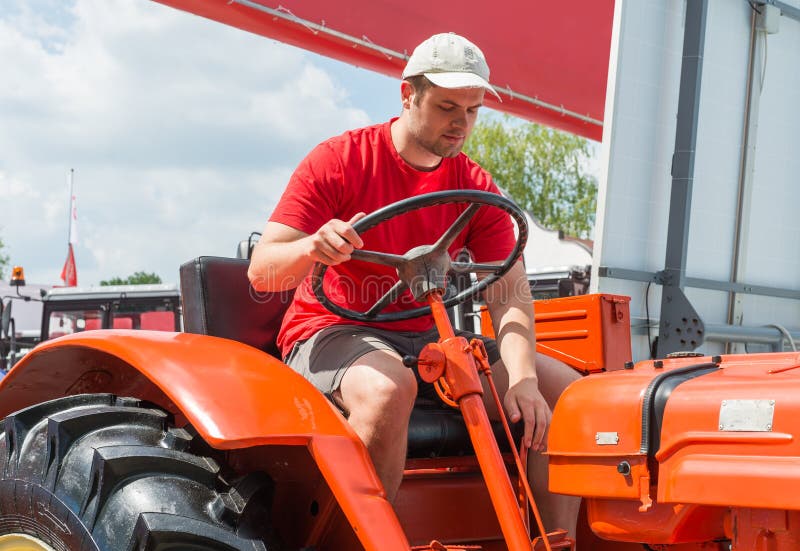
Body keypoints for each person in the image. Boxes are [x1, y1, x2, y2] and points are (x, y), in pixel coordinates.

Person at [248, 32, 581, 537]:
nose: (461, 123)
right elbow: (262, 270)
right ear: (408, 95)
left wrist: (525, 379)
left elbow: (509, 296)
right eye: (448, 106)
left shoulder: (474, 186)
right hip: (335, 329)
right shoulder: (338, 161)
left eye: (472, 110)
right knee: (386, 390)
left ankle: (556, 543)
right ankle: (355, 541)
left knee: (569, 396)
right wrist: (312, 247)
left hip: (428, 340)